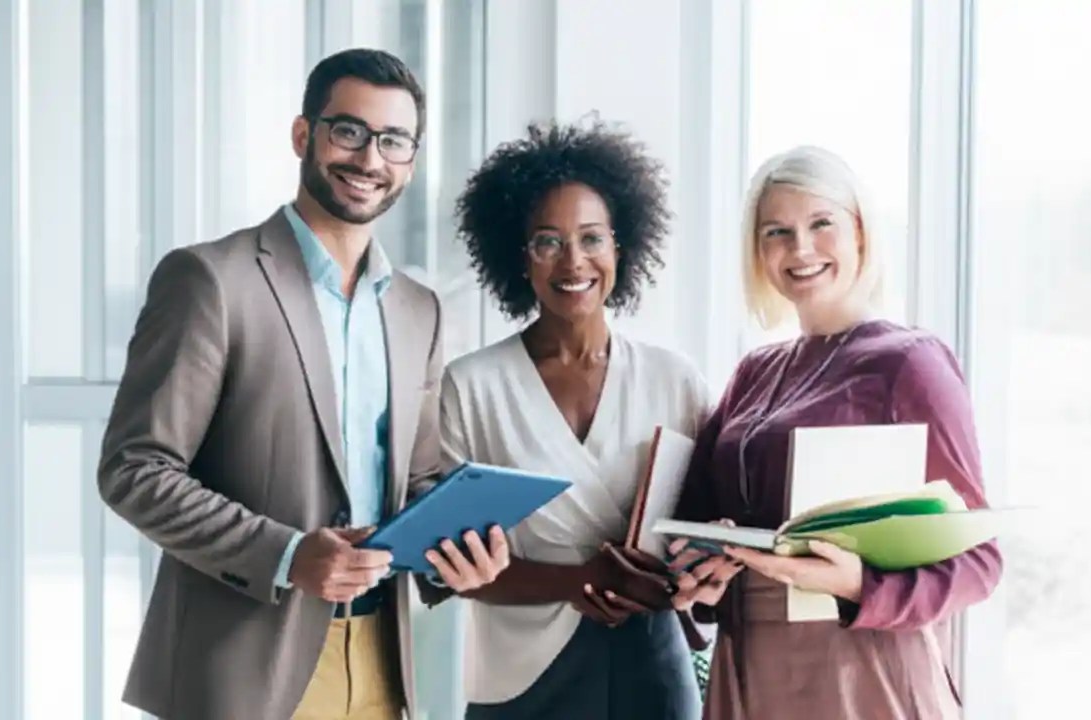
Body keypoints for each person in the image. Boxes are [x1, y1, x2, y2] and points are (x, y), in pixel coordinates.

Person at [98, 48, 509, 720]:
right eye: (348, 130)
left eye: (393, 140)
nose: (369, 159)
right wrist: (287, 554)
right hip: (245, 666)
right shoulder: (211, 282)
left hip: (381, 659)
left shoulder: (418, 310)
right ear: (303, 134)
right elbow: (134, 469)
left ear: (412, 158)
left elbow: (421, 475)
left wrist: (459, 553)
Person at [669, 146, 1003, 720]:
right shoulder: (754, 372)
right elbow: (689, 523)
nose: (800, 249)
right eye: (777, 232)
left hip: (864, 666)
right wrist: (699, 568)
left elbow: (979, 559)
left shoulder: (909, 362)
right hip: (749, 664)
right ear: (758, 252)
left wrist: (862, 587)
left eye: (820, 224)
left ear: (860, 233)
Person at [439, 119, 708, 720]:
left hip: (651, 663)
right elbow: (453, 566)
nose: (573, 261)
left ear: (621, 246)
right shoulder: (472, 386)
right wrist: (579, 581)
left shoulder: (676, 378)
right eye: (547, 241)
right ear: (520, 257)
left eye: (592, 238)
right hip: (524, 675)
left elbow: (705, 528)